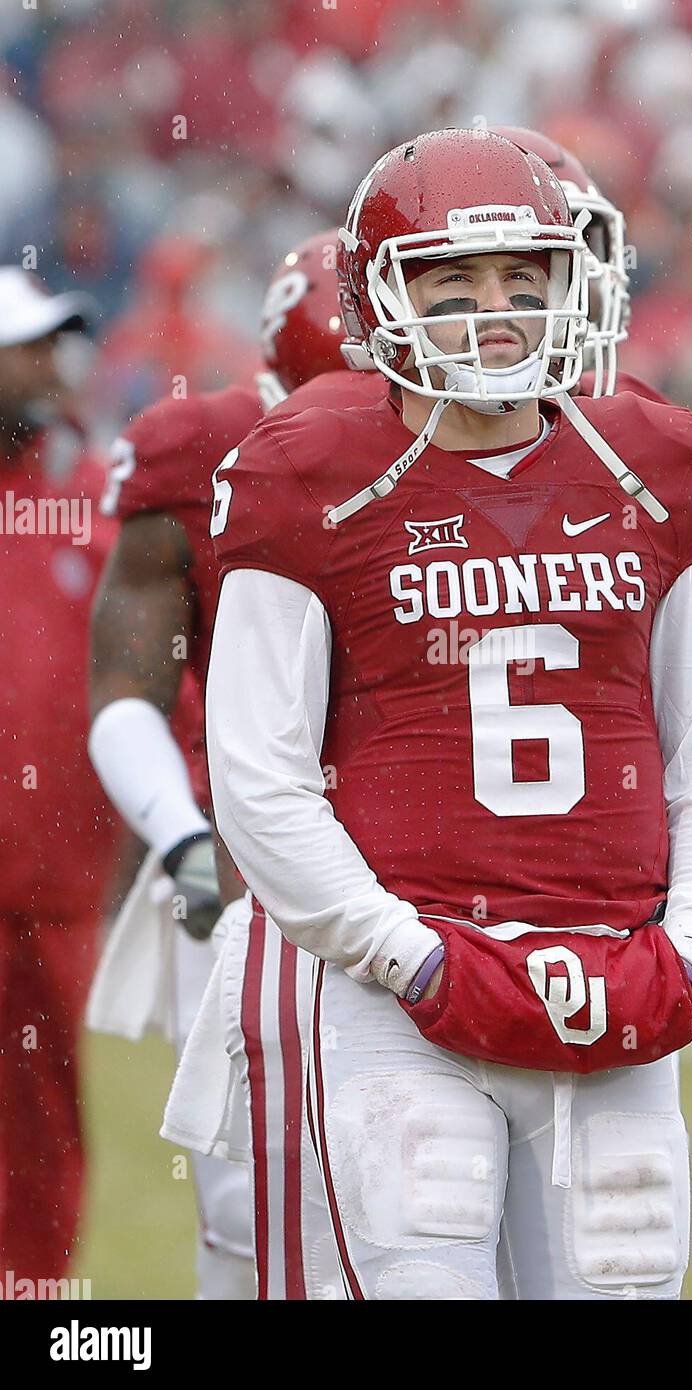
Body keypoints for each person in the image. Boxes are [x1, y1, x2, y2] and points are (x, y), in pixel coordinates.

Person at [204, 128, 692, 1300]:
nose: (494, 312)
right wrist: (407, 959)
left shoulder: (643, 461)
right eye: (448, 283)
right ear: (376, 302)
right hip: (407, 999)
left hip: (617, 980)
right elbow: (259, 781)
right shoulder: (312, 473)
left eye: (523, 279)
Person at [87, 231, 374, 1300]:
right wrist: (182, 837)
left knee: (423, 1199)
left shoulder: (469, 439)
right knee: (250, 1212)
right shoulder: (193, 447)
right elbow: (123, 693)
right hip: (243, 872)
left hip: (422, 865)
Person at [0, 266, 118, 1283]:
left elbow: (163, 674)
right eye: (24, 347)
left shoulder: (90, 501)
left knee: (42, 1126)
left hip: (52, 890)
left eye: (52, 345)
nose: (46, 366)